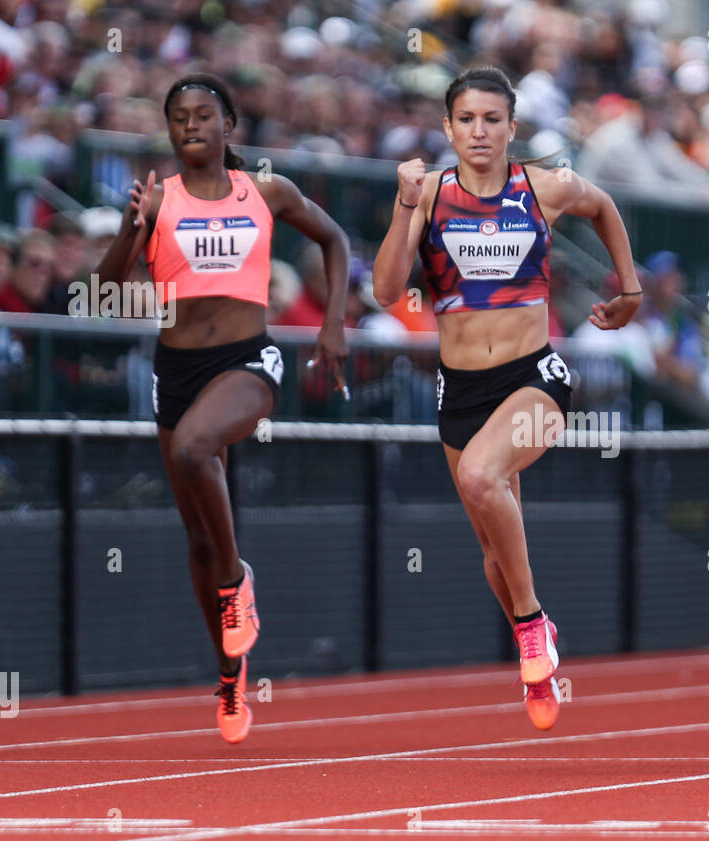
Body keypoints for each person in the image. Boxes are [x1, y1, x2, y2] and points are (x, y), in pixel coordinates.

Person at [373, 66, 641, 731]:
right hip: (460, 390)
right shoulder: (429, 194)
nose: (480, 131)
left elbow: (603, 205)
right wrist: (404, 205)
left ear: (512, 128)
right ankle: (539, 653)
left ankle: (529, 628)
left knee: (481, 475)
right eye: (466, 119)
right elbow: (384, 291)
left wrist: (629, 287)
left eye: (492, 119)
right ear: (448, 129)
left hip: (532, 378)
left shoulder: (542, 187)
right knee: (494, 552)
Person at [94, 73, 350, 743]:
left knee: (192, 450)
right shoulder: (159, 200)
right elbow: (102, 293)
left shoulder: (264, 191)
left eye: (203, 114)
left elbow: (335, 240)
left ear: (229, 125)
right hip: (175, 369)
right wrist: (131, 229)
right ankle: (230, 678)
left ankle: (239, 581)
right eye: (178, 117)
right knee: (199, 539)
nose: (190, 126)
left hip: (247, 361)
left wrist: (332, 324)